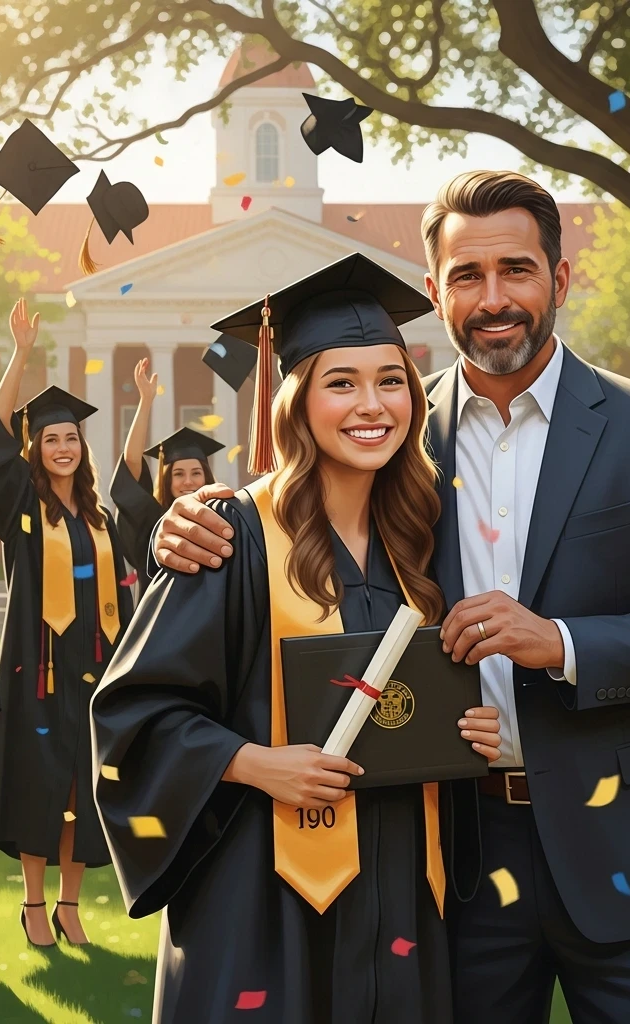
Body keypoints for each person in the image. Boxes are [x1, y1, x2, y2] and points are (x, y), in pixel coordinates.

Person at [150, 171, 630, 1023]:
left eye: (516, 269)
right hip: (454, 860)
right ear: (435, 291)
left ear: (560, 278)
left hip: (626, 844)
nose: (494, 298)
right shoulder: (399, 435)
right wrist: (182, 523)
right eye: (468, 277)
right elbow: (292, 511)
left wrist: (561, 643)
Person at [91, 253, 503, 1024]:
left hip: (403, 894)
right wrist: (253, 763)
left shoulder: (420, 541)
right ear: (296, 401)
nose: (370, 404)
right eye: (339, 382)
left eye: (390, 380)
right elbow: (133, 715)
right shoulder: (230, 538)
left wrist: (465, 735)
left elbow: (408, 708)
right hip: (261, 897)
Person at [0, 298, 133, 949]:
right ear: (36, 447)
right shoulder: (22, 506)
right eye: (51, 439)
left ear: (81, 447)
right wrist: (20, 354)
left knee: (82, 790)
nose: (62, 447)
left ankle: (70, 906)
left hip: (93, 670)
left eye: (71, 438)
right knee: (41, 788)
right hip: (36, 665)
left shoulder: (100, 519)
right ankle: (34, 906)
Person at [110, 357, 222, 595]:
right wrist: (146, 401)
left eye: (196, 473)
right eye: (178, 474)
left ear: (207, 478)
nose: (188, 481)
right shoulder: (153, 522)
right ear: (167, 480)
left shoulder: (222, 523)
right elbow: (131, 464)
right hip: (159, 622)